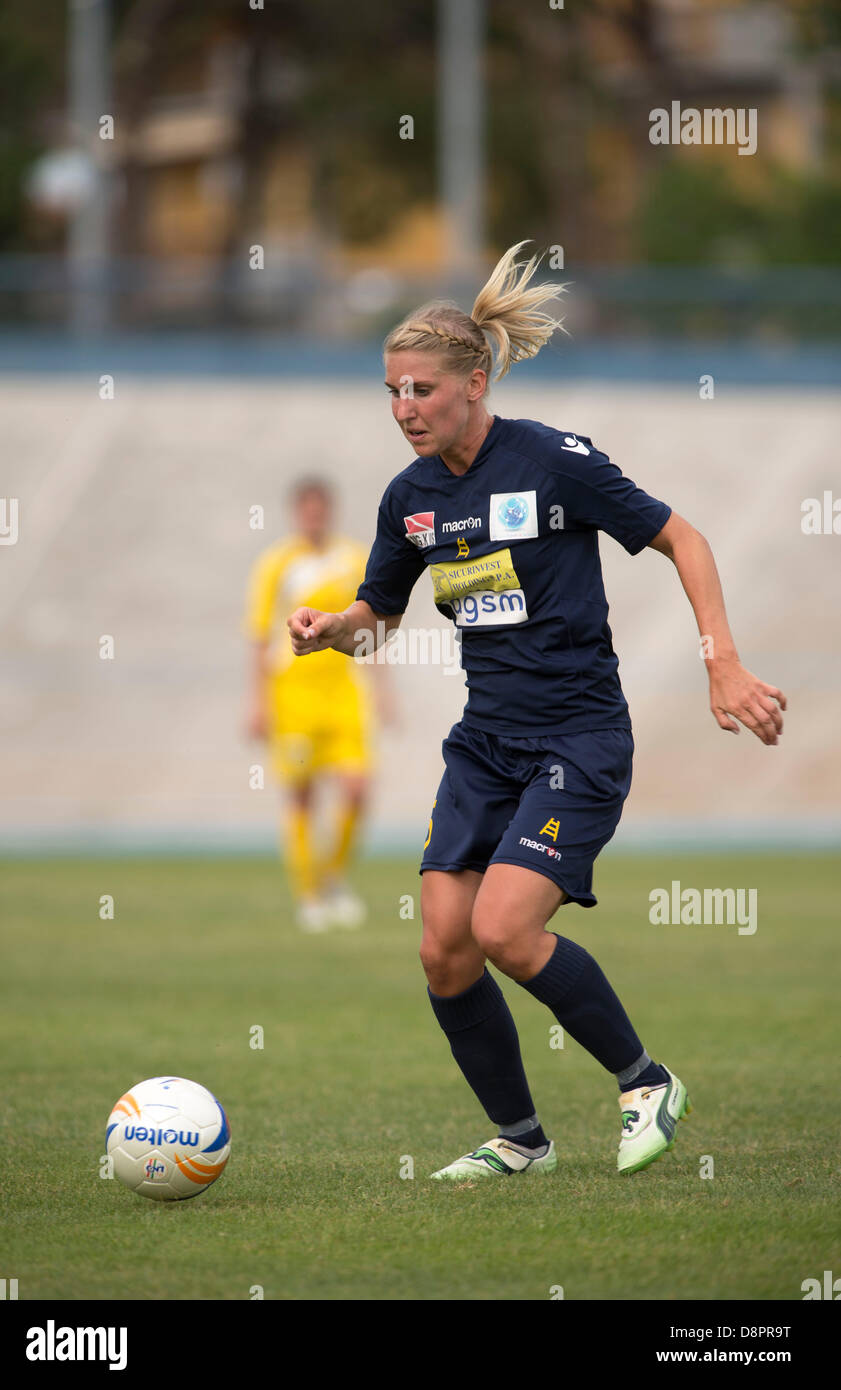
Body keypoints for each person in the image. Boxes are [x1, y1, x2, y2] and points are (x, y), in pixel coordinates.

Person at [285, 242, 786, 1177]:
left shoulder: (553, 461)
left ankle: (645, 1081)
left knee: (504, 929)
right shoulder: (411, 499)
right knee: (443, 950)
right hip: (484, 744)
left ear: (475, 381)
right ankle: (522, 1142)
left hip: (579, 737)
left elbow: (683, 537)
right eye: (391, 392)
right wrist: (332, 631)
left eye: (422, 390)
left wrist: (723, 664)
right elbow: (378, 618)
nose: (404, 410)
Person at [246, 477, 384, 932]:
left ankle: (333, 880)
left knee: (358, 789)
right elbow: (258, 637)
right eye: (306, 510)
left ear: (330, 511)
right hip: (294, 697)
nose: (314, 517)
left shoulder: (352, 558)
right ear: (296, 513)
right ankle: (309, 896)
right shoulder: (276, 565)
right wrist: (257, 703)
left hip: (343, 692)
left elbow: (372, 627)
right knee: (303, 796)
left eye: (320, 509)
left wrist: (382, 690)